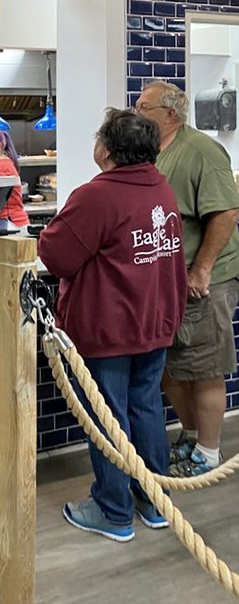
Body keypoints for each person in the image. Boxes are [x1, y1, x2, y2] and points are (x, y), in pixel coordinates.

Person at [38, 108, 188, 542]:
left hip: (110, 328)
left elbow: (56, 255)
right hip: (154, 320)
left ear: (106, 148)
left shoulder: (98, 195)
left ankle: (113, 510)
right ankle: (155, 502)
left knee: (108, 417)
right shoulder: (160, 187)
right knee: (145, 409)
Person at [136, 80, 239, 477]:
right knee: (174, 365)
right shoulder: (153, 152)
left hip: (209, 280)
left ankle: (208, 454)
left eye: (144, 107)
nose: (136, 112)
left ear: (170, 115)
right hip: (171, 281)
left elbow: (226, 212)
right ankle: (191, 436)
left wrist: (202, 269)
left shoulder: (201, 152)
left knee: (204, 366)